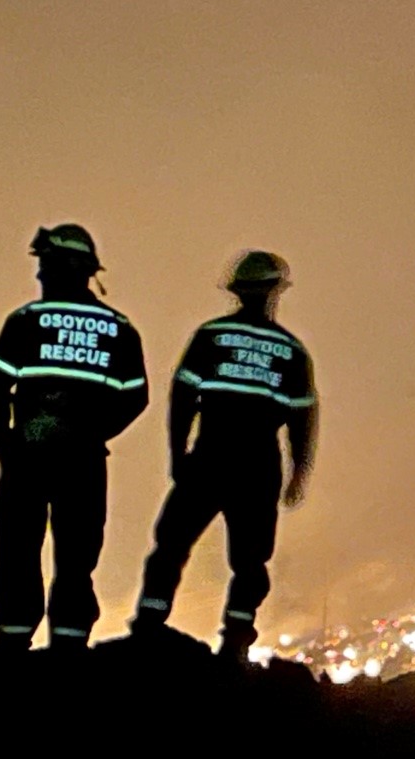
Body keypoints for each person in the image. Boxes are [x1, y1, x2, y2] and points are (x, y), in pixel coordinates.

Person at [133, 251, 316, 662]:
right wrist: (297, 473)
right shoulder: (291, 351)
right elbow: (302, 420)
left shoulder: (210, 337)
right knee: (250, 561)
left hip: (210, 456)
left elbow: (182, 399)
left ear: (237, 292)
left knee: (171, 545)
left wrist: (178, 454)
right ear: (273, 293)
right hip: (257, 465)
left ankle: (148, 625)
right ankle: (235, 641)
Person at [0, 224, 149, 660]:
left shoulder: (25, 322)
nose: (39, 276)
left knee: (19, 555)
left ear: (62, 268)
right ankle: (69, 655)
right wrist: (92, 433)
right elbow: (136, 396)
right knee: (77, 561)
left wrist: (8, 446)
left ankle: (12, 653)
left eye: (45, 266)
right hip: (83, 464)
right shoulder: (118, 329)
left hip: (27, 461)